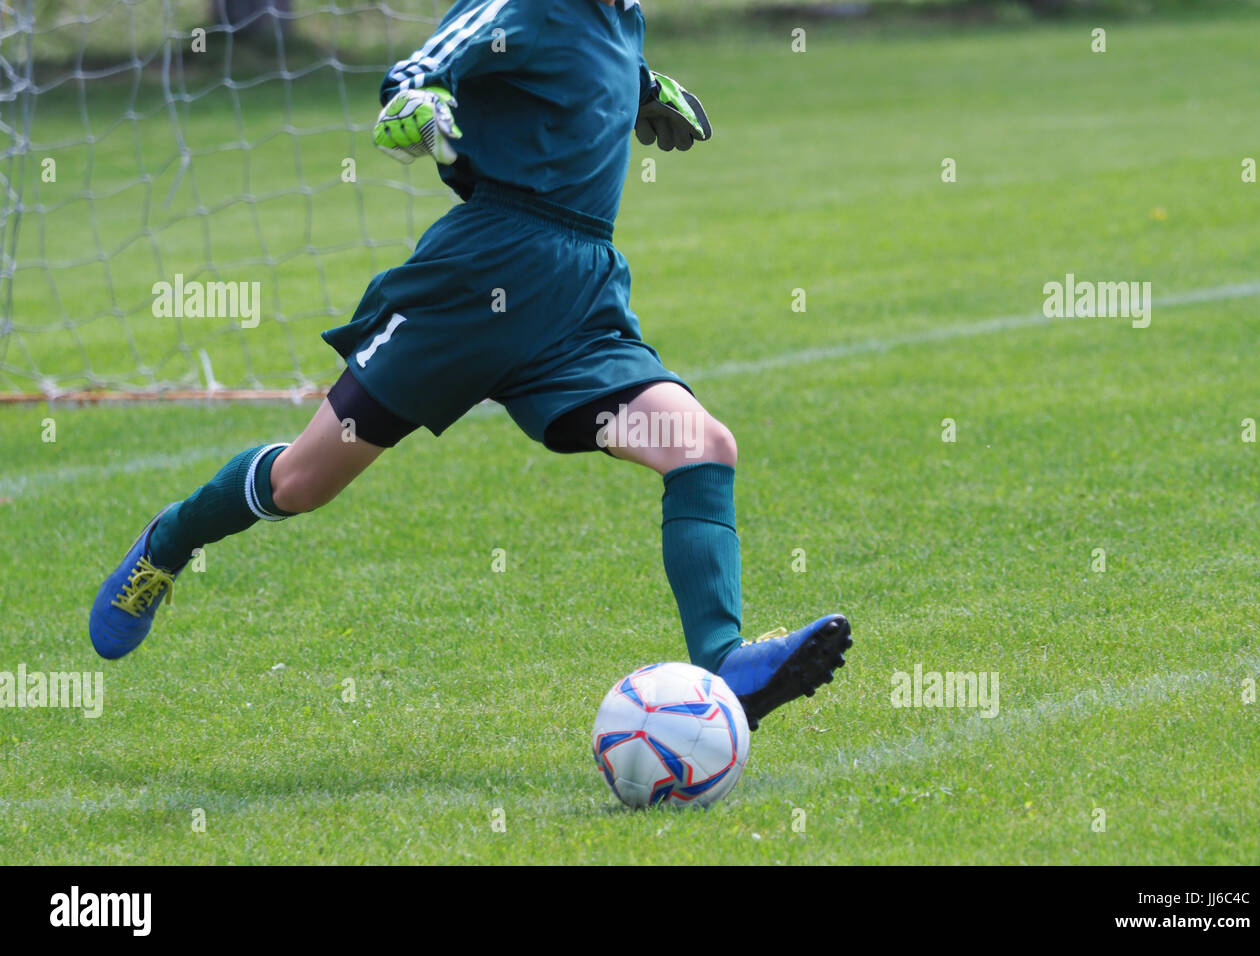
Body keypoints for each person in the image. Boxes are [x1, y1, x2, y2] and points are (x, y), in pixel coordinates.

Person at [90, 0, 851, 730]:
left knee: (702, 446)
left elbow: (583, 62)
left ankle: (727, 669)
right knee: (299, 482)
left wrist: (645, 87)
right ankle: (170, 542)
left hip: (579, 294)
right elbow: (423, 67)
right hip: (477, 278)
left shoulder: (623, 17)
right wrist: (415, 101)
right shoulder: (520, 2)